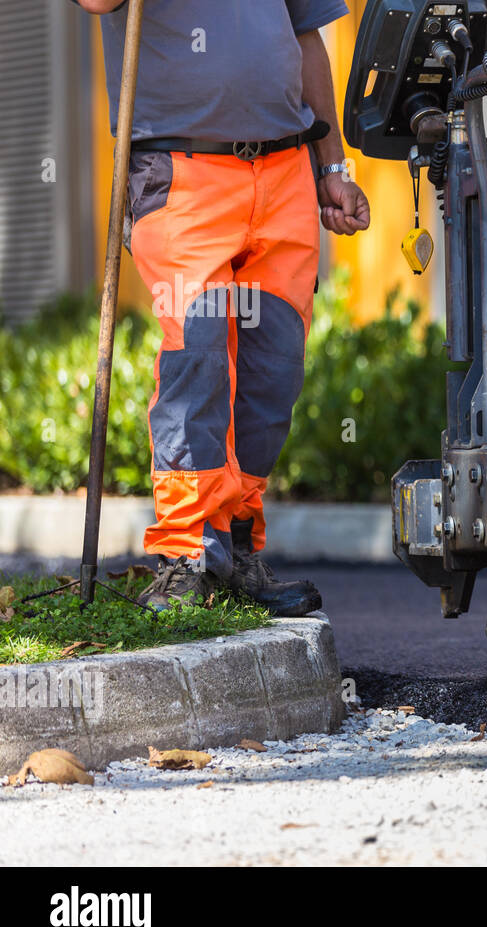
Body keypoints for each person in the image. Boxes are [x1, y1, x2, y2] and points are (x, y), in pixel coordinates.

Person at [72, 0, 371, 613]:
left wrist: (332, 165)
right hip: (180, 170)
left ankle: (235, 548)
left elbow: (307, 37)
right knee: (197, 358)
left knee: (272, 372)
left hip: (285, 167)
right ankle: (184, 552)